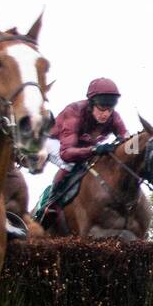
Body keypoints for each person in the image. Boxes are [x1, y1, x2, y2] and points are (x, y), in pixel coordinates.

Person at [37, 78, 130, 218]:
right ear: (91, 104)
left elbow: (129, 142)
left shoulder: (114, 117)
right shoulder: (74, 111)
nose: (106, 113)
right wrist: (94, 150)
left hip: (82, 146)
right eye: (102, 108)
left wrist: (129, 148)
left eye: (110, 108)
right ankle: (51, 203)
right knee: (70, 164)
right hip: (54, 142)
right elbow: (66, 154)